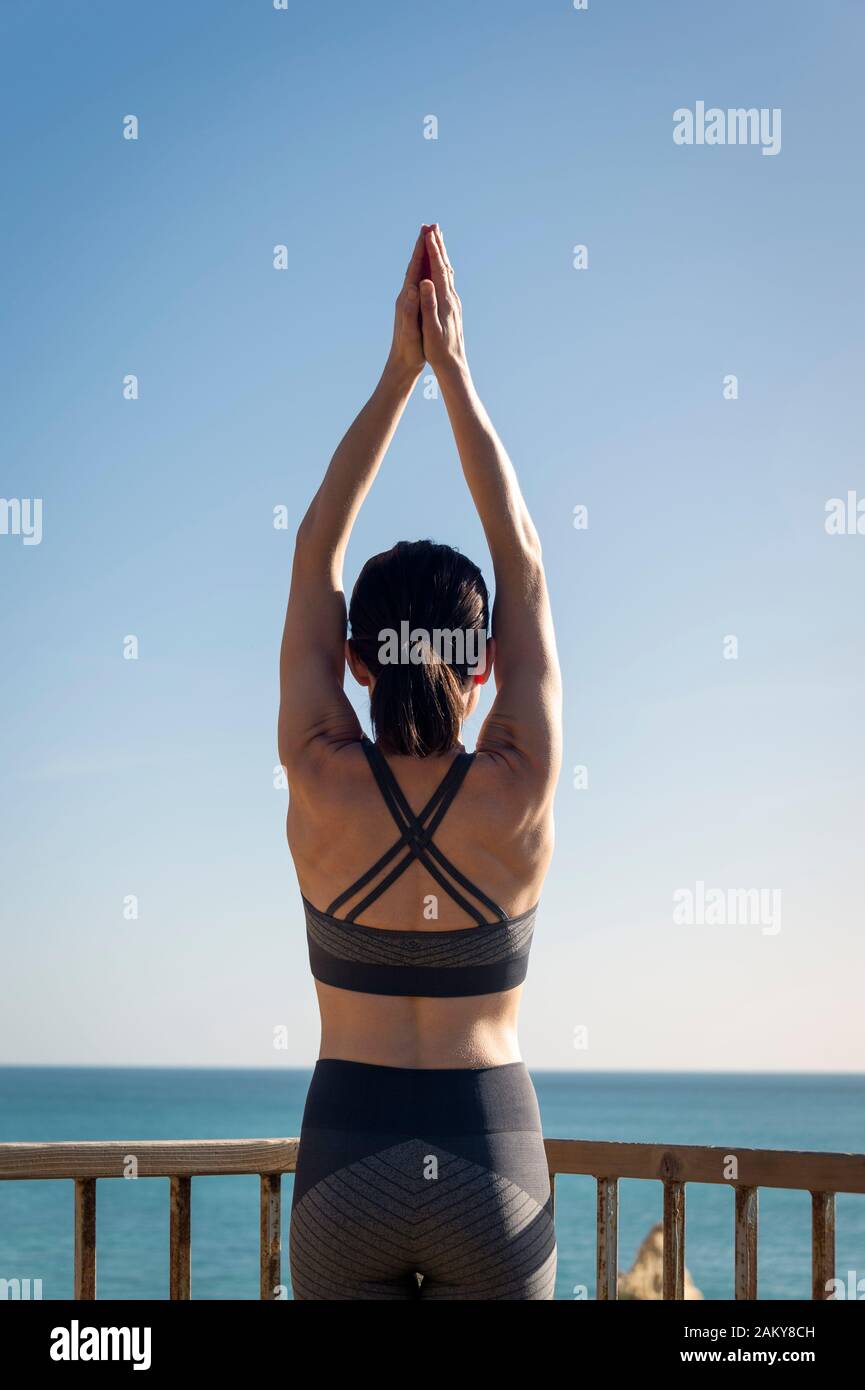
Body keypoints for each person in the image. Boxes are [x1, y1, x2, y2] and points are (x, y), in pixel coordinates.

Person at [279, 223, 562, 1300]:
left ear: (354, 655)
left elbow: (316, 547)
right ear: (482, 665)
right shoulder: (520, 782)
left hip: (345, 1154)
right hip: (490, 1152)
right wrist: (453, 370)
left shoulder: (317, 773)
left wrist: (397, 377)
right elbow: (523, 560)